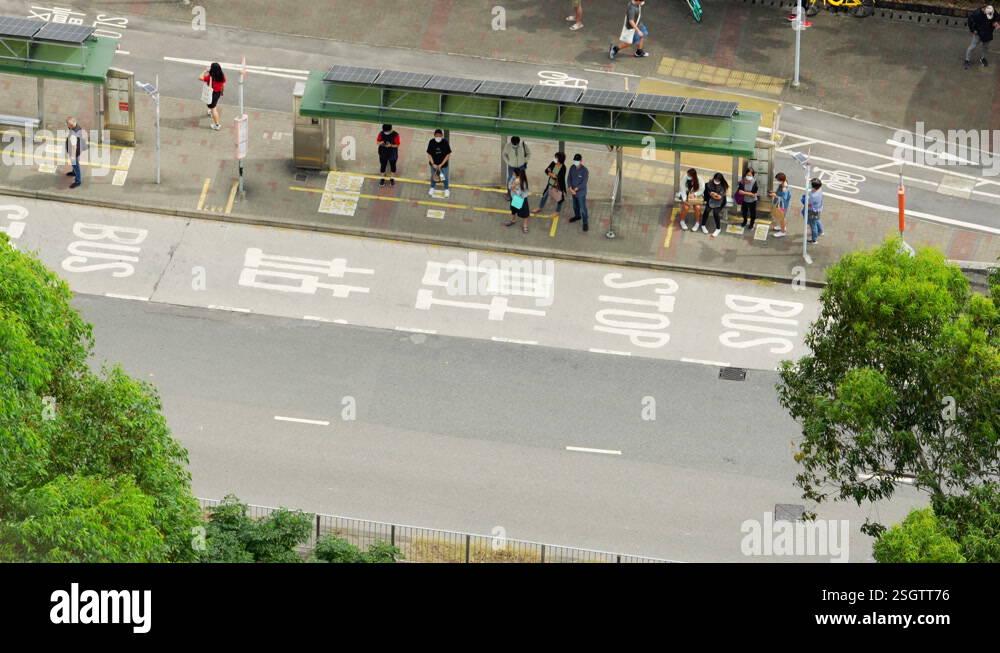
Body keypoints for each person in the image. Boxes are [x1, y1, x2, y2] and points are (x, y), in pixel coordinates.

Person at [534, 152, 567, 216]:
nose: (555, 158)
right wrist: (552, 174)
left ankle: (557, 211)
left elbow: (558, 177)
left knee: (559, 198)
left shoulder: (563, 167)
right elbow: (546, 170)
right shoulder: (553, 163)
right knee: (544, 195)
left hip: (558, 186)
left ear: (560, 159)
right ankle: (540, 207)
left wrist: (550, 174)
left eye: (556, 157)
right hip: (550, 184)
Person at [700, 172, 728, 238]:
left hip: (720, 201)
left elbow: (720, 196)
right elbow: (708, 191)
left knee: (716, 212)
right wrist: (711, 194)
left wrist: (716, 196)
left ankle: (718, 228)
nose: (716, 181)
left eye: (718, 180)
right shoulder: (710, 183)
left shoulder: (723, 186)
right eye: (715, 179)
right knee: (706, 210)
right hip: (711, 200)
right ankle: (703, 225)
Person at [503, 167, 531, 232]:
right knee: (513, 210)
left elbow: (520, 193)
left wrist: (514, 185)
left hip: (521, 199)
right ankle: (513, 220)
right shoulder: (513, 177)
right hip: (514, 197)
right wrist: (513, 185)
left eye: (514, 174)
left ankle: (525, 225)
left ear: (518, 175)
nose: (513, 174)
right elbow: (509, 185)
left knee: (525, 213)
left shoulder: (523, 182)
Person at [567, 153, 590, 232]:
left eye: (577, 161)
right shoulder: (572, 168)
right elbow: (569, 178)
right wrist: (570, 187)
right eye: (575, 161)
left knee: (583, 208)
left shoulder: (585, 171)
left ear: (581, 161)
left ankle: (585, 223)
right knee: (575, 206)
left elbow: (584, 183)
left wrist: (575, 190)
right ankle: (577, 216)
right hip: (573, 192)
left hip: (580, 193)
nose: (575, 163)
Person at [200, 63, 226, 131]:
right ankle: (211, 111)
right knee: (213, 104)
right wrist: (222, 91)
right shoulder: (222, 76)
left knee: (213, 108)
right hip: (218, 93)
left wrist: (205, 71)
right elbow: (223, 85)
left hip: (212, 93)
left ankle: (217, 125)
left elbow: (200, 77)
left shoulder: (210, 77)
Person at [426, 129, 452, 198]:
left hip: (443, 166)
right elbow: (429, 154)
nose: (438, 137)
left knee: (444, 177)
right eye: (436, 136)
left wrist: (441, 164)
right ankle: (432, 187)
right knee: (433, 176)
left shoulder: (445, 142)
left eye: (439, 136)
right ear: (434, 135)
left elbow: (448, 154)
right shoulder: (431, 142)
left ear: (442, 135)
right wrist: (433, 163)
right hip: (434, 165)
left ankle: (446, 189)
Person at [64, 117, 87, 189]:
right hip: (79, 149)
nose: (66, 125)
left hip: (74, 152)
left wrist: (73, 156)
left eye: (67, 124)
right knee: (75, 165)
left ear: (70, 125)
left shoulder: (73, 135)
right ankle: (73, 172)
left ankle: (78, 181)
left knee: (76, 165)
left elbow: (74, 147)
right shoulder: (77, 127)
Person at [768, 172, 791, 238]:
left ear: (781, 180)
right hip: (781, 204)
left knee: (781, 218)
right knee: (780, 217)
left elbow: (783, 198)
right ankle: (782, 227)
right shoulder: (784, 183)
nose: (777, 181)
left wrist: (774, 195)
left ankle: (782, 231)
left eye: (778, 180)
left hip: (782, 205)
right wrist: (774, 192)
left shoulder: (784, 188)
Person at [806, 178, 824, 244]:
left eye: (811, 184)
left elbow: (809, 205)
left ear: (814, 186)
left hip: (812, 211)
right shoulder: (820, 189)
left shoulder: (813, 196)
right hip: (819, 209)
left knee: (813, 225)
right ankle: (821, 231)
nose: (810, 184)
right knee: (817, 220)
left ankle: (814, 239)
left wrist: (805, 201)